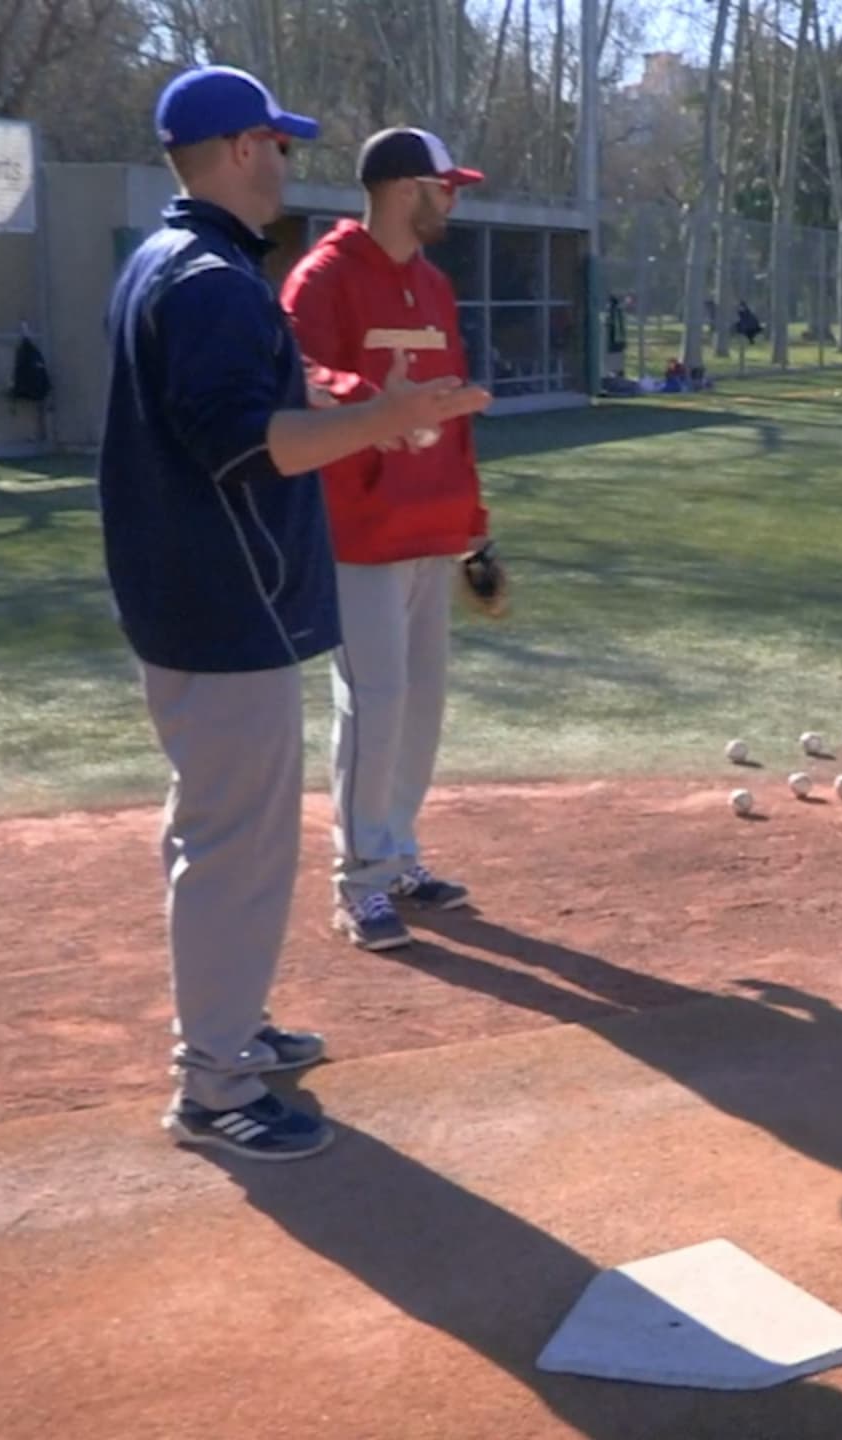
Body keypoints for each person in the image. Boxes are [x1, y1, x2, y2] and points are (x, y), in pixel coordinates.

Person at [104, 67, 489, 1161]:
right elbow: (244, 444)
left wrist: (326, 397)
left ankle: (233, 1031)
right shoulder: (215, 281)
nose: (284, 160)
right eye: (273, 142)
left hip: (188, 593)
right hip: (221, 601)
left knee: (226, 834)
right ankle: (214, 1085)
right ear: (234, 151)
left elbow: (233, 407)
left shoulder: (172, 263)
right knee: (236, 845)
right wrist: (386, 416)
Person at [280, 127, 497, 952]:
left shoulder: (434, 285)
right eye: (449, 184)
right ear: (409, 188)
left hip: (430, 523)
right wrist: (369, 401)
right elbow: (290, 372)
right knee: (372, 703)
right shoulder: (324, 278)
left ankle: (398, 851)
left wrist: (473, 524)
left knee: (418, 705)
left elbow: (453, 412)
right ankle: (361, 880)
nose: (455, 197)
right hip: (358, 525)